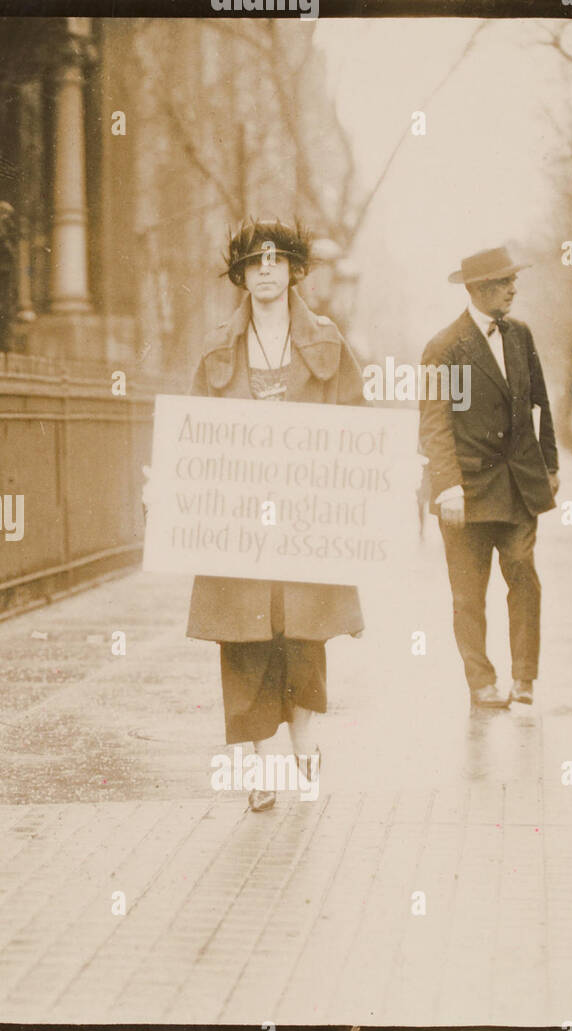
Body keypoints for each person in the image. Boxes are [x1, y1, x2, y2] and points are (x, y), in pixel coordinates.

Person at [184, 220, 366, 812]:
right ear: (241, 273)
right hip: (239, 525)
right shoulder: (217, 349)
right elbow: (194, 437)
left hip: (306, 521)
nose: (266, 270)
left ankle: (305, 746)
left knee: (301, 635)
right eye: (255, 261)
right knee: (246, 640)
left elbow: (356, 424)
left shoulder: (329, 344)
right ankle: (264, 768)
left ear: (292, 272)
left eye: (277, 260)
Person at [418, 245, 559, 709]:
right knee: (468, 593)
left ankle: (526, 679)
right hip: (468, 492)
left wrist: (551, 465)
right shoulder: (444, 348)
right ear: (478, 289)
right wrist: (449, 488)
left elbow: (541, 403)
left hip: (519, 486)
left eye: (513, 280)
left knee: (524, 574)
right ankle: (481, 682)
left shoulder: (520, 335)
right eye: (503, 282)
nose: (513, 288)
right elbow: (435, 424)